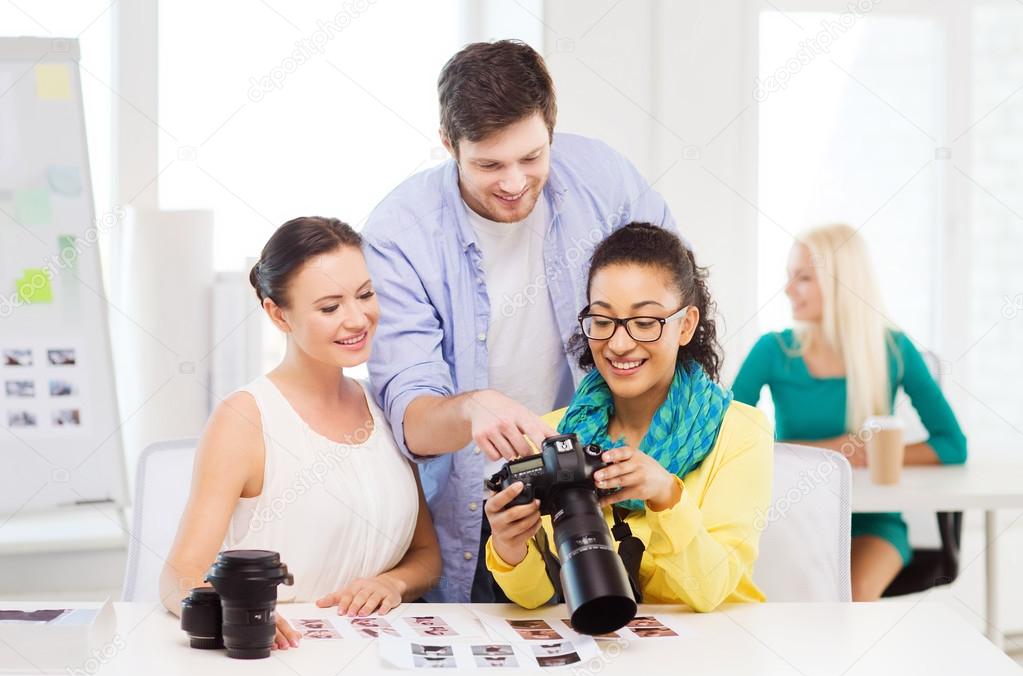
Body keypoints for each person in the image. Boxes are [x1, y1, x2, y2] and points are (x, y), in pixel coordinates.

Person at [363, 39, 677, 602]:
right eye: (489, 164)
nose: (513, 182)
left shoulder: (604, 180)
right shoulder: (399, 232)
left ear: (551, 130)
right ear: (448, 144)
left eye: (532, 157)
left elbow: (674, 303)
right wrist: (473, 408)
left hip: (605, 496)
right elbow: (412, 422)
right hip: (477, 512)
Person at [160, 217, 441, 650]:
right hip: (275, 654)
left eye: (365, 295)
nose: (357, 318)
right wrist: (237, 614)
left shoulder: (385, 405)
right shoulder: (245, 418)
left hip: (378, 654)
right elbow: (179, 575)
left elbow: (427, 556)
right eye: (330, 308)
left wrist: (393, 582)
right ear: (278, 314)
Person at [484, 223, 772, 612]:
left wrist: (666, 495)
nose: (619, 344)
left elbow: (710, 590)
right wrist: (509, 545)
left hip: (718, 642)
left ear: (685, 325)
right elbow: (535, 598)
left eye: (645, 323)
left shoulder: (740, 431)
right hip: (605, 638)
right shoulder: (552, 433)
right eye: (603, 321)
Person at [732, 223, 967, 600]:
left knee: (852, 593)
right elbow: (726, 440)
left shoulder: (894, 349)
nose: (788, 289)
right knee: (792, 595)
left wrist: (876, 453)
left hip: (873, 524)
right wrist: (832, 450)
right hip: (792, 518)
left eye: (803, 278)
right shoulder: (772, 350)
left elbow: (953, 446)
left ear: (842, 284)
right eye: (790, 276)